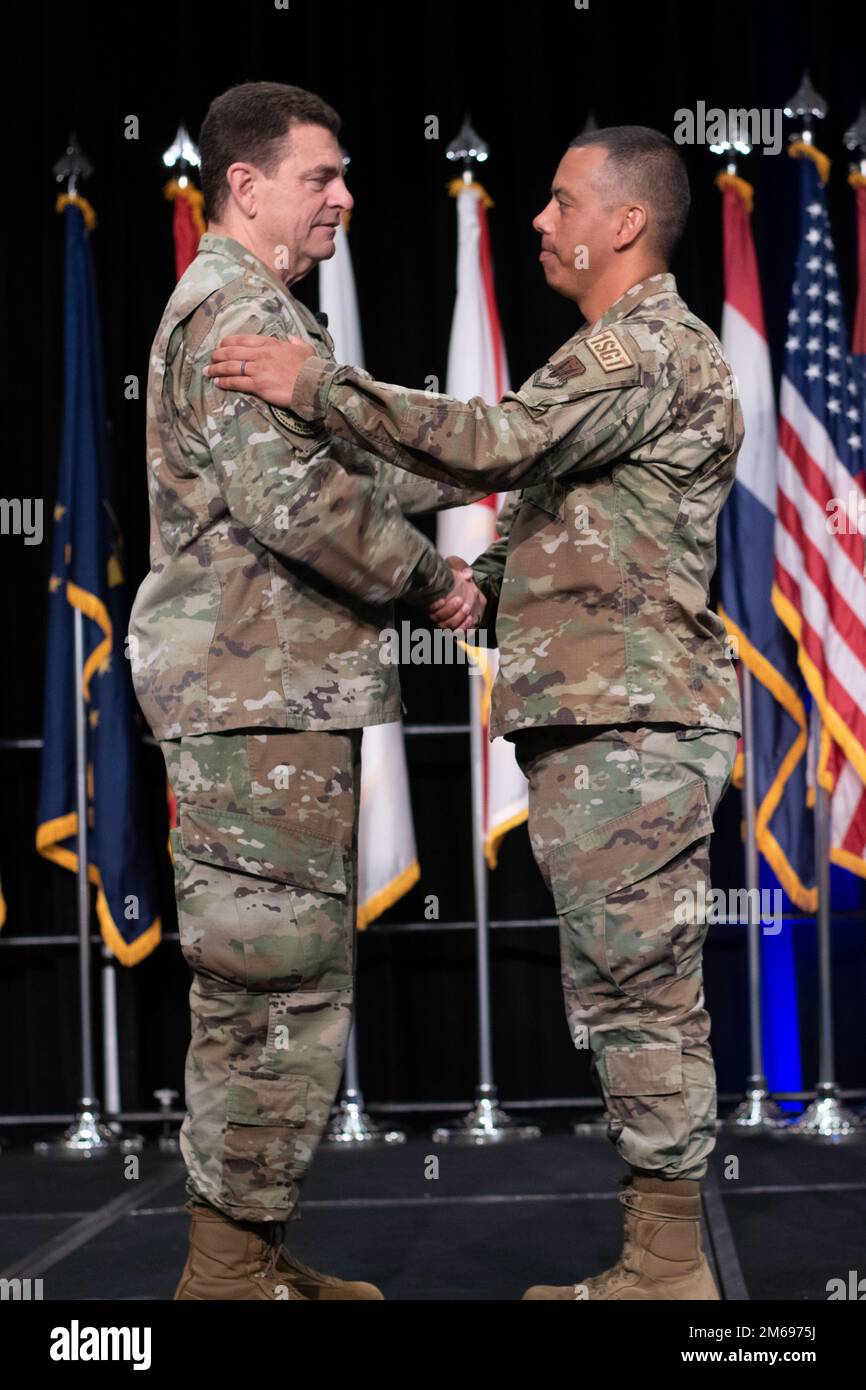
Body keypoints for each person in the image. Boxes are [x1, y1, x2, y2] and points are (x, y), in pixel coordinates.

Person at [206, 125, 744, 1301]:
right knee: (614, 990)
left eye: (558, 203)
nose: (538, 223)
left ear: (624, 224)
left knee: (641, 989)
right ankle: (652, 1265)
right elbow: (581, 523)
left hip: (635, 726)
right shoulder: (611, 354)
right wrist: (471, 584)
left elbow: (496, 441)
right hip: (602, 720)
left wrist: (322, 386)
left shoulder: (648, 348)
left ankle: (670, 1274)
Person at [128, 80, 485, 1301]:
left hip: (275, 696)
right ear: (246, 183)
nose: (342, 196)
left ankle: (257, 1258)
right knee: (263, 986)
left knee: (289, 984)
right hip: (252, 700)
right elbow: (300, 506)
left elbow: (354, 466)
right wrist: (434, 581)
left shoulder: (266, 312)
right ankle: (223, 1279)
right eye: (320, 176)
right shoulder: (230, 307)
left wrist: (522, 455)